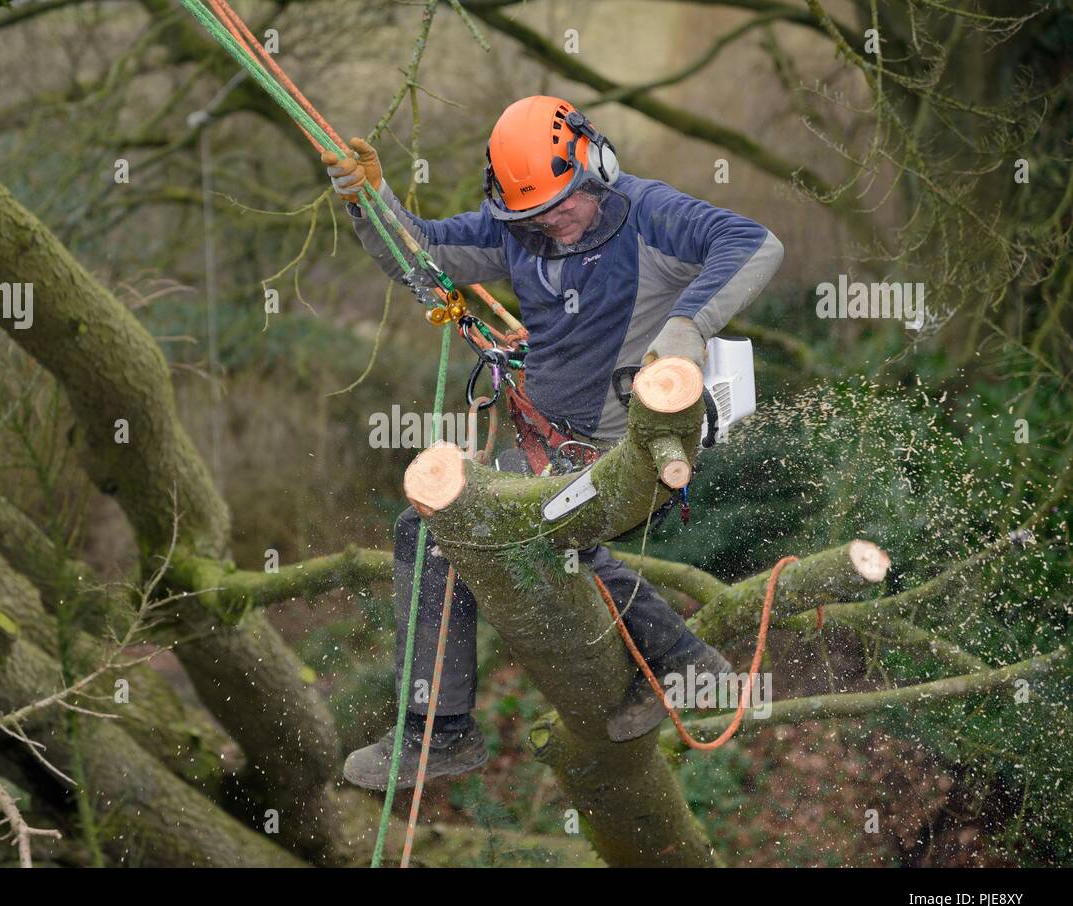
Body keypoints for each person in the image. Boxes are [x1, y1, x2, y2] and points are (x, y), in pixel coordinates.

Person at [322, 95, 784, 790]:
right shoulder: (520, 231)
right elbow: (425, 259)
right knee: (446, 525)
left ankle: (443, 729)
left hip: (637, 453)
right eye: (532, 211)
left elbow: (754, 243)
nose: (553, 221)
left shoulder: (647, 211)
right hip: (554, 455)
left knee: (473, 524)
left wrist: (688, 325)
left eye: (565, 202)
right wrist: (372, 202)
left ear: (596, 163)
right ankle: (675, 663)